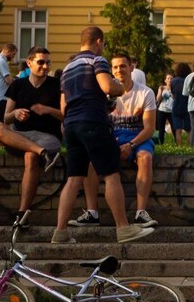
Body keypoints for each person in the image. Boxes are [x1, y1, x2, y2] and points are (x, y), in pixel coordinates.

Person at [50, 27, 155, 245]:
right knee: (111, 174)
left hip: (71, 125)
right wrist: (116, 88)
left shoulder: (68, 67)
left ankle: (60, 232)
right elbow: (108, 86)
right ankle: (124, 229)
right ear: (99, 41)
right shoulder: (97, 60)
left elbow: (63, 105)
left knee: (73, 179)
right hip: (93, 122)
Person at [0, 47, 63, 224]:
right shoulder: (18, 85)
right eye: (40, 62)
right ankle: (43, 153)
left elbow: (66, 115)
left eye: (48, 62)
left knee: (30, 156)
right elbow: (6, 116)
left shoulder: (56, 85)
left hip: (48, 136)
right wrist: (15, 113)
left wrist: (47, 110)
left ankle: (22, 213)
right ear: (29, 63)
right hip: (21, 137)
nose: (45, 66)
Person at [108, 55, 160, 228]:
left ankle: (141, 212)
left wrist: (131, 145)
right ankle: (92, 212)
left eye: (123, 66)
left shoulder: (145, 92)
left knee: (145, 158)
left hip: (137, 137)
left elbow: (149, 128)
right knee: (91, 160)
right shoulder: (106, 93)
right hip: (113, 136)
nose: (119, 70)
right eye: (115, 67)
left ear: (131, 67)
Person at [163, 63, 192, 145]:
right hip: (187, 107)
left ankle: (180, 147)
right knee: (189, 129)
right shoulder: (188, 80)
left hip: (176, 107)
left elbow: (172, 93)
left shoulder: (174, 81)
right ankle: (190, 147)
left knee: (178, 130)